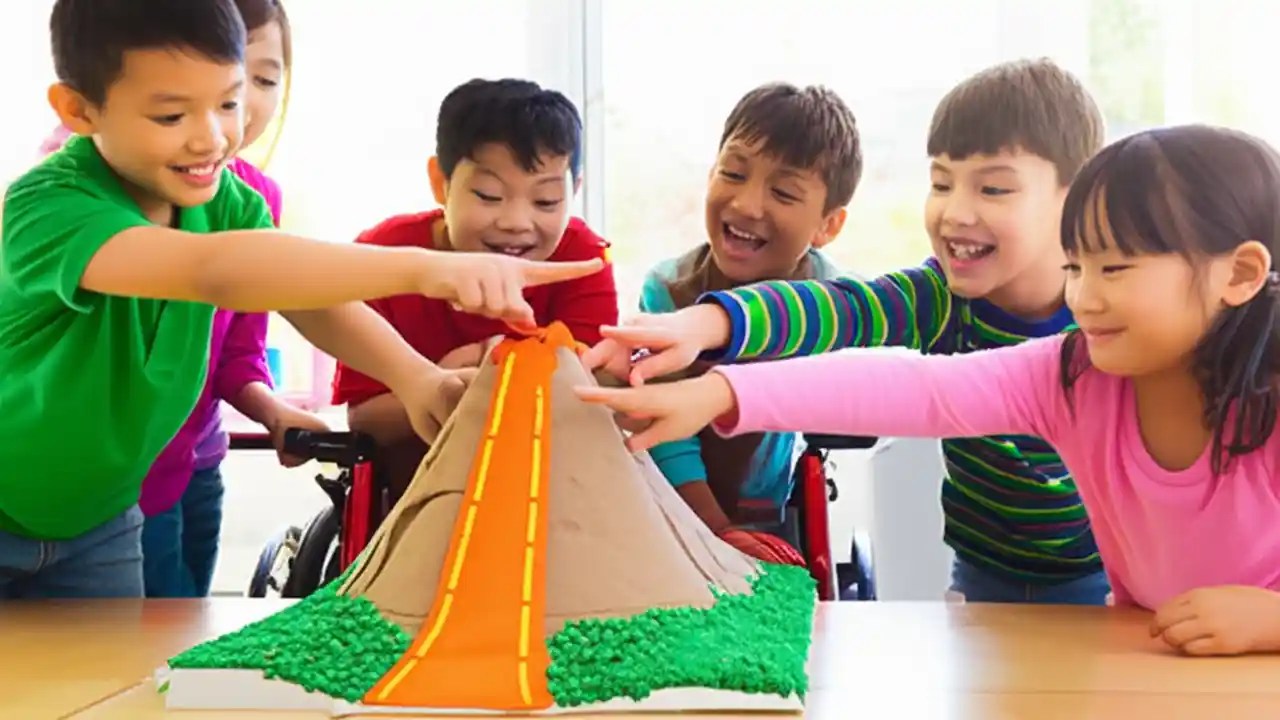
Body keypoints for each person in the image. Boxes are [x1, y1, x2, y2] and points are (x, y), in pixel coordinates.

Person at [579, 124, 1280, 657]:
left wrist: (1271, 622)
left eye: (1116, 268)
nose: (1085, 298)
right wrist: (719, 394)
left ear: (1241, 274)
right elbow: (914, 387)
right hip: (1148, 660)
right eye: (1076, 268)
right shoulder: (1072, 376)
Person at [0, 0, 600, 600]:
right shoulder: (49, 206)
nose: (214, 136)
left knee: (107, 686)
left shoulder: (227, 200)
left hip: (100, 520)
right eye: (171, 115)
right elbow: (217, 271)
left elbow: (306, 299)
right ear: (78, 109)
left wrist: (415, 378)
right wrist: (427, 269)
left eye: (229, 102)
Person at [585, 59, 1110, 603]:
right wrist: (705, 322)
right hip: (982, 572)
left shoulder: (1106, 317)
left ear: (1075, 197)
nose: (955, 212)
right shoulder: (937, 300)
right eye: (941, 183)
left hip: (1104, 577)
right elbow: (836, 308)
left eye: (994, 189)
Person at [332, 78, 618, 500]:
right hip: (414, 500)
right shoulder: (383, 256)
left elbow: (598, 389)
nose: (516, 222)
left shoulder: (584, 260)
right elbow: (366, 420)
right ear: (440, 182)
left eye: (545, 202)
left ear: (573, 190)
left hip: (553, 494)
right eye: (489, 196)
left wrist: (499, 360)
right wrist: (444, 381)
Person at [625, 82, 857, 565]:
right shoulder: (669, 289)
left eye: (784, 192)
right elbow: (662, 425)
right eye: (733, 173)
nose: (748, 205)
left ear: (827, 226)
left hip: (767, 511)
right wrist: (717, 529)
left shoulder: (833, 298)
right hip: (669, 508)